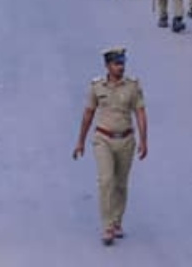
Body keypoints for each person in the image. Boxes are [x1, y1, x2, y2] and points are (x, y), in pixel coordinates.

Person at [72, 46, 148, 245]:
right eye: (116, 64)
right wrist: (80, 141)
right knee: (106, 181)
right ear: (107, 66)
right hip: (103, 139)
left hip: (126, 139)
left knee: (120, 184)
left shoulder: (132, 87)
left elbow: (140, 112)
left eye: (122, 63)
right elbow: (88, 114)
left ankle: (116, 221)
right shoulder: (97, 87)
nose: (120, 67)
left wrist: (144, 140)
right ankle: (107, 226)